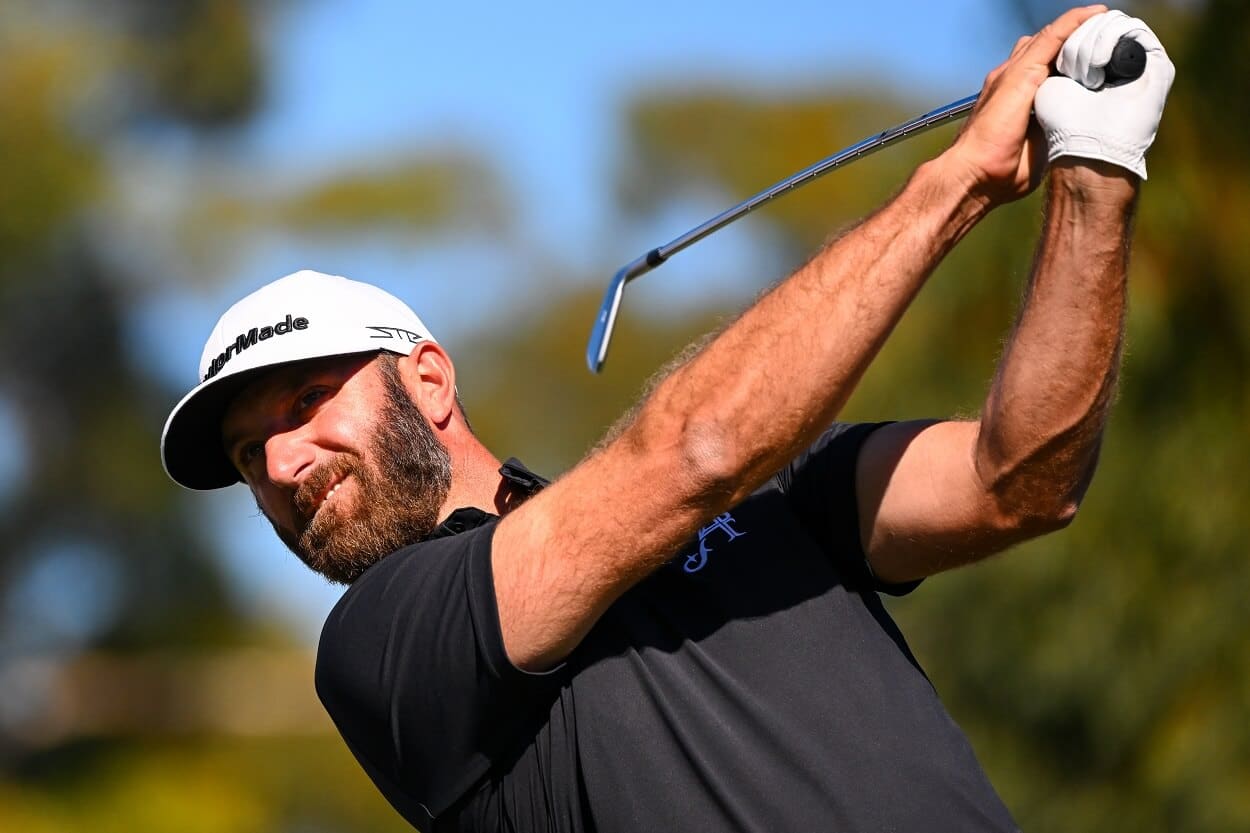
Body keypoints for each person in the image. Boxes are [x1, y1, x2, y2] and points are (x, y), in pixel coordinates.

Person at [160, 6, 1173, 831]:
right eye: (250, 451)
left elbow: (1018, 483)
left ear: (426, 379)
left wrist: (1093, 171)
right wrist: (957, 180)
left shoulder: (775, 492)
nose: (283, 460)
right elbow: (694, 453)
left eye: (307, 402)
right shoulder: (380, 644)